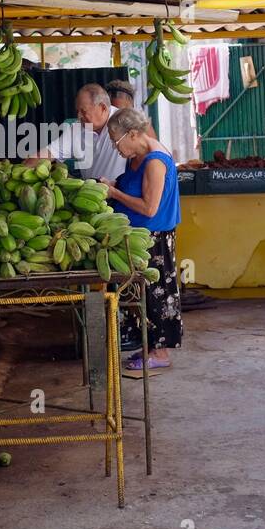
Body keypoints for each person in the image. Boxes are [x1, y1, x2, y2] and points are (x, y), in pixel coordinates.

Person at [101, 108, 182, 371]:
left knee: (156, 295)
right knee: (140, 296)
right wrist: (112, 184)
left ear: (133, 134)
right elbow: (131, 185)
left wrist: (113, 193)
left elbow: (149, 208)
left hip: (153, 240)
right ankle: (147, 348)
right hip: (135, 238)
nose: (115, 148)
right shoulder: (135, 156)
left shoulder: (155, 161)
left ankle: (160, 353)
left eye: (116, 141)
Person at [28, 83, 126, 182]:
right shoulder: (77, 128)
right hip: (89, 193)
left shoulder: (124, 122)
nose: (79, 116)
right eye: (77, 111)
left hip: (120, 193)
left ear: (103, 108)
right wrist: (23, 169)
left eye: (83, 111)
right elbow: (49, 153)